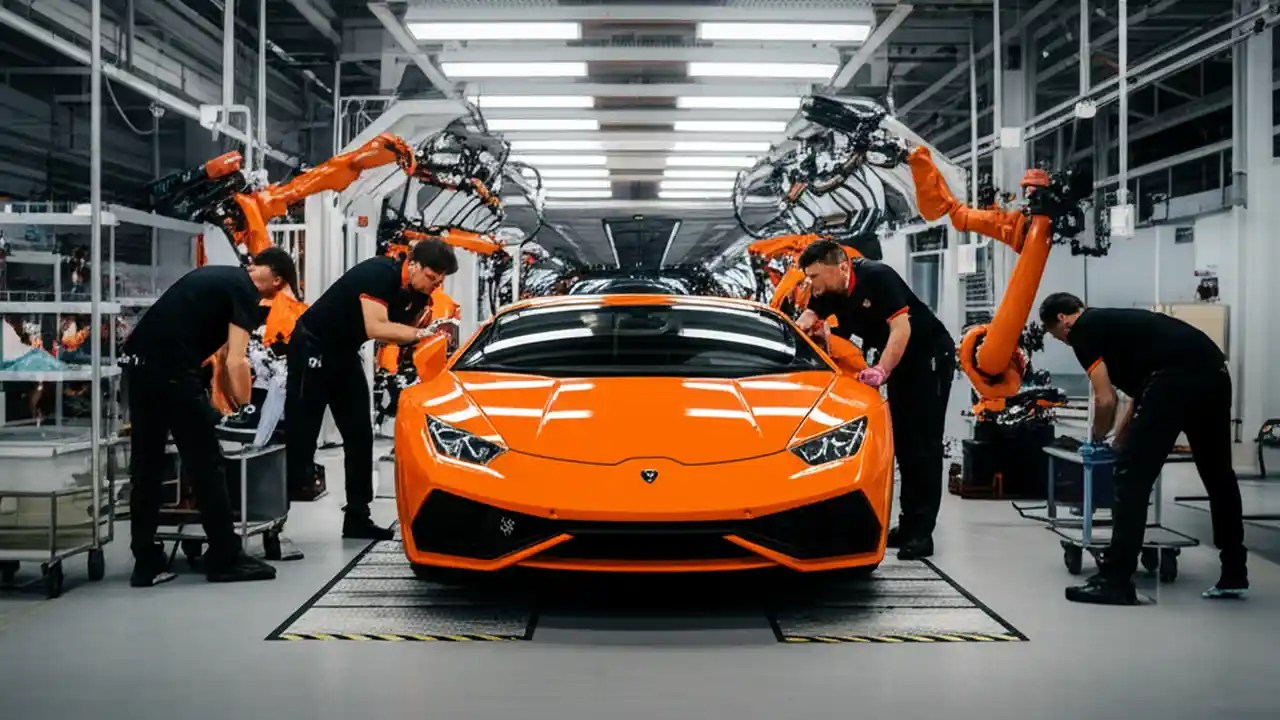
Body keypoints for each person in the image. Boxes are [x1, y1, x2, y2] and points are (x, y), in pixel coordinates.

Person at [1040, 293, 1248, 605]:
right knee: (1218, 475)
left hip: (1174, 380)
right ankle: (1234, 572)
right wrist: (1121, 440)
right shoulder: (1121, 327)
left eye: (1056, 337)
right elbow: (1140, 395)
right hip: (1214, 372)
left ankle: (1116, 579)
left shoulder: (1082, 330)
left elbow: (1105, 399)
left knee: (1131, 475)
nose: (1062, 342)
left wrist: (1096, 440)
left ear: (1061, 320)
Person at [121, 248, 298, 587]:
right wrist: (248, 408)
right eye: (280, 291)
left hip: (139, 368)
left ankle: (146, 561)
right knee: (207, 463)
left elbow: (203, 344)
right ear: (276, 280)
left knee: (147, 465)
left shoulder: (219, 275)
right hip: (172, 373)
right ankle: (225, 557)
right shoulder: (245, 290)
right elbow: (235, 360)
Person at [286, 239, 458, 539]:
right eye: (432, 277)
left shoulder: (417, 296)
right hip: (312, 345)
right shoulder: (379, 273)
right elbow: (376, 328)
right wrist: (421, 333)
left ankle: (357, 516)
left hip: (343, 352)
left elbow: (397, 336)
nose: (436, 284)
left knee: (359, 434)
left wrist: (426, 330)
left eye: (441, 280)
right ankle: (272, 519)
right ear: (413, 264)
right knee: (303, 436)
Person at [796, 240, 955, 559]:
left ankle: (922, 534)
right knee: (905, 443)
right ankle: (908, 524)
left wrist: (882, 369)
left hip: (928, 357)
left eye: (815, 276)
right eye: (808, 278)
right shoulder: (827, 290)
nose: (812, 284)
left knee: (923, 445)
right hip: (899, 364)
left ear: (841, 267)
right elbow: (808, 317)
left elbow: (901, 329)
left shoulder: (878, 277)